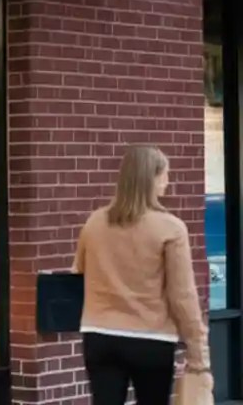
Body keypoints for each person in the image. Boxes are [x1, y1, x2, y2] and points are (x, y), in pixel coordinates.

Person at [73, 145, 211, 405]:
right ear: (151, 178)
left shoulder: (94, 223)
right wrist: (197, 351)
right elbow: (182, 296)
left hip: (99, 336)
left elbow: (77, 273)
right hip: (151, 339)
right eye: (164, 175)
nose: (167, 183)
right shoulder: (170, 228)